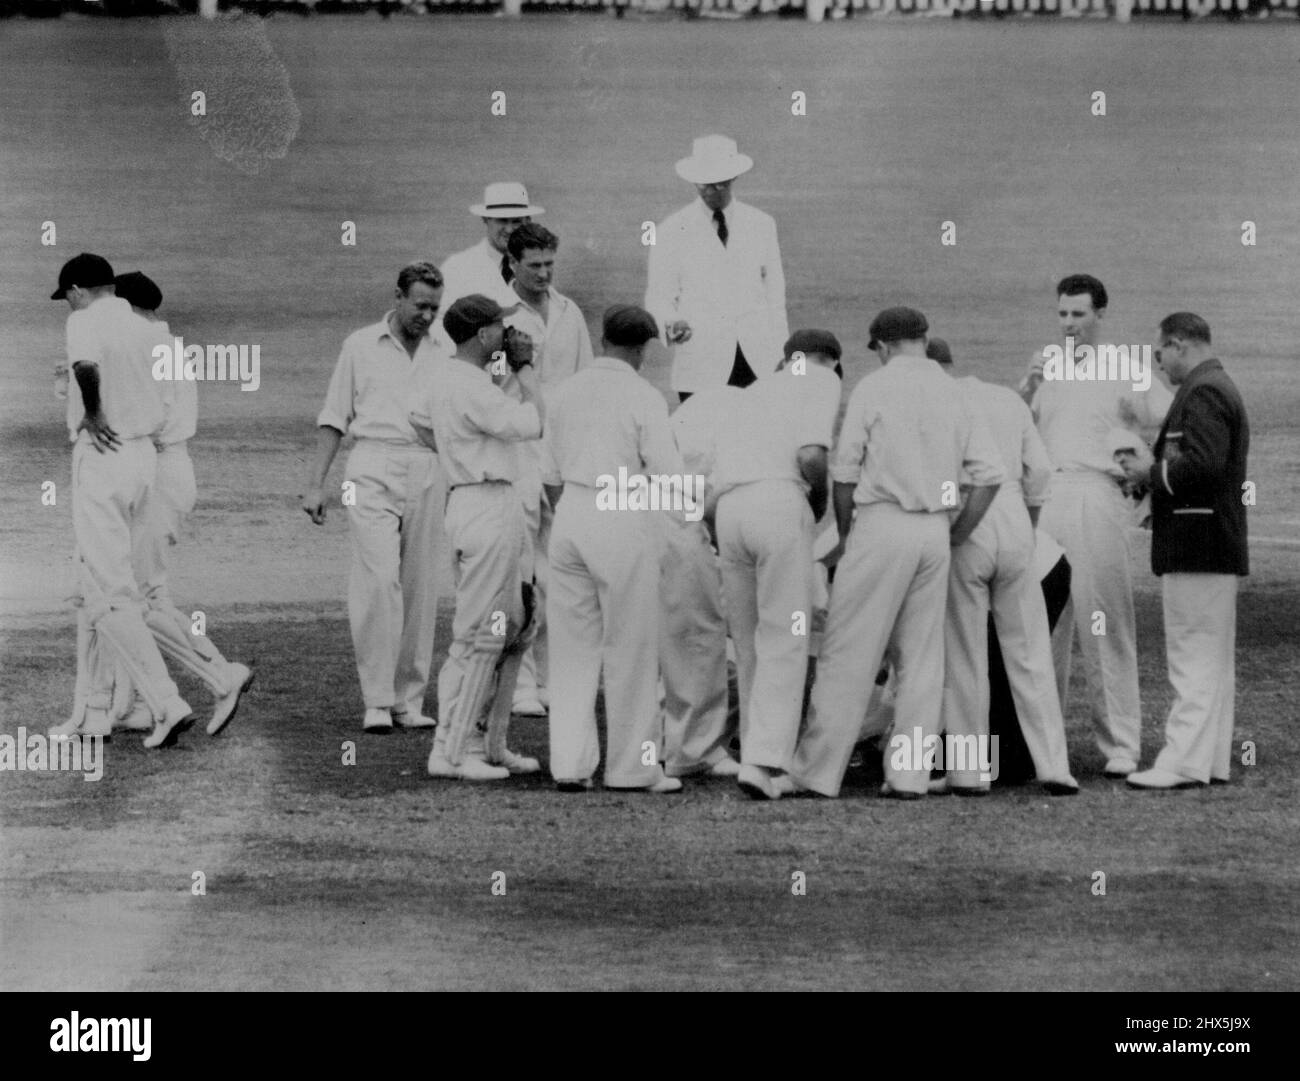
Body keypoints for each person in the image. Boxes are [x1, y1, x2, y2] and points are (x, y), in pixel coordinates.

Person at [788, 308, 1004, 799]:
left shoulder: (875, 386)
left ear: (883, 346)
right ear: (924, 341)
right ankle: (908, 774)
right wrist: (956, 532)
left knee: (848, 651)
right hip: (934, 531)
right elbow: (989, 476)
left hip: (882, 523)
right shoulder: (954, 391)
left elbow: (844, 474)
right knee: (923, 659)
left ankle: (815, 772)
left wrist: (847, 537)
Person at [1021, 274, 1173, 778]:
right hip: (1046, 499)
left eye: (1079, 314)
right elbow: (1013, 427)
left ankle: (1121, 745)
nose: (1069, 324)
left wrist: (1144, 466)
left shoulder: (1122, 368)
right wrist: (1027, 387)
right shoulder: (1042, 367)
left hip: (1096, 495)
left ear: (1099, 315)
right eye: (1063, 314)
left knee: (1103, 615)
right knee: (1043, 622)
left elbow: (1174, 416)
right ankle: (1041, 744)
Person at [46, 253, 195, 750]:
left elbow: (86, 366)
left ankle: (165, 702)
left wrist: (92, 412)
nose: (68, 304)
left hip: (103, 455)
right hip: (144, 461)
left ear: (78, 290)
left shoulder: (85, 320)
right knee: (111, 587)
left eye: (66, 296)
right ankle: (98, 711)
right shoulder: (149, 331)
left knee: (108, 591)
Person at [540, 305, 684, 794]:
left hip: (572, 516)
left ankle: (569, 766)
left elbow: (550, 474)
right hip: (621, 516)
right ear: (642, 349)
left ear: (604, 340)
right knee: (633, 649)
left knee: (572, 648)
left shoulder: (564, 392)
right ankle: (632, 769)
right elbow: (667, 472)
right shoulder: (643, 395)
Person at [928, 337, 1077, 796]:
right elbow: (1040, 471)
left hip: (966, 518)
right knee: (1030, 651)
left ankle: (970, 772)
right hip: (1015, 516)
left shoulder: (935, 402)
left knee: (966, 654)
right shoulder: (1005, 398)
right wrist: (1027, 526)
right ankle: (1054, 765)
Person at [303, 262, 447, 734]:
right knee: (378, 580)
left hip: (428, 466)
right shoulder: (360, 344)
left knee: (419, 586)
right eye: (420, 305)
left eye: (434, 307)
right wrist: (316, 483)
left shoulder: (444, 348)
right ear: (399, 297)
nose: (427, 316)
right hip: (369, 464)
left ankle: (408, 700)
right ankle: (377, 700)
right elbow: (334, 415)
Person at [113, 271, 254, 737]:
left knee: (137, 598)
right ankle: (133, 703)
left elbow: (146, 421)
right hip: (169, 469)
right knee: (142, 594)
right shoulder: (165, 344)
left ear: (127, 306)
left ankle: (220, 674)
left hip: (159, 471)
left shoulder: (150, 348)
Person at [412, 295, 544, 781]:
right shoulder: (473, 386)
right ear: (485, 335)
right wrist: (525, 369)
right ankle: (452, 751)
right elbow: (537, 420)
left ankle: (491, 743)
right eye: (500, 329)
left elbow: (419, 423)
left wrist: (458, 452)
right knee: (481, 634)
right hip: (488, 503)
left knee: (515, 626)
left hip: (473, 499)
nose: (506, 335)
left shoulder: (446, 378)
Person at [1118, 313, 1249, 789]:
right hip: (1212, 543)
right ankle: (1207, 759)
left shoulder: (1204, 391)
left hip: (1197, 543)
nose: (1160, 364)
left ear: (1178, 345)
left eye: (1160, 354)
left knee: (1192, 655)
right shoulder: (1213, 385)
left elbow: (1204, 466)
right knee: (1210, 658)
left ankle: (1181, 762)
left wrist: (1147, 475)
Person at [712, 330, 843, 800]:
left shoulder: (751, 394)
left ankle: (754, 751)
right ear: (826, 361)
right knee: (786, 637)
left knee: (748, 641)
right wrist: (820, 504)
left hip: (728, 511)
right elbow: (811, 454)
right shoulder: (822, 379)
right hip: (778, 503)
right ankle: (765, 762)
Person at [499, 222, 595, 717]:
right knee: (520, 572)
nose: (542, 273)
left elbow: (584, 382)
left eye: (549, 264)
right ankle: (518, 685)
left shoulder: (568, 310)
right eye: (533, 265)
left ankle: (553, 680)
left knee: (558, 570)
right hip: (515, 455)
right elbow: (491, 392)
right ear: (512, 263)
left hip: (561, 456)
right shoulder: (497, 315)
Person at [644, 135, 788, 402]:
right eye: (705, 184)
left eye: (721, 183)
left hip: (758, 360)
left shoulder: (762, 224)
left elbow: (775, 295)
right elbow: (659, 295)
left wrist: (782, 350)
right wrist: (671, 322)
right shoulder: (671, 231)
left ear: (734, 178)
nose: (712, 190)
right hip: (701, 363)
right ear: (694, 181)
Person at [659, 383, 744, 778]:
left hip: (649, 511)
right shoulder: (747, 411)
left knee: (671, 635)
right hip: (683, 517)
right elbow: (712, 501)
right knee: (699, 636)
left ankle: (669, 742)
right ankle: (693, 750)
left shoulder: (712, 401)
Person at [434, 181, 542, 348]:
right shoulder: (457, 268)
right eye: (502, 221)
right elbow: (438, 327)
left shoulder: (537, 269)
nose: (509, 229)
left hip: (526, 367)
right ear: (485, 219)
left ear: (528, 221)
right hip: (475, 368)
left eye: (516, 222)